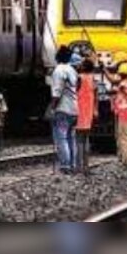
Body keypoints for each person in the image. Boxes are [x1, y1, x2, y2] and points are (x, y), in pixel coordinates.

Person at [50, 46, 79, 174]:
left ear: (58, 57)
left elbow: (57, 92)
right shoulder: (73, 70)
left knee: (61, 138)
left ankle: (65, 166)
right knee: (71, 138)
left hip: (63, 109)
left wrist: (52, 107)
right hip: (75, 108)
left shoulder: (58, 70)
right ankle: (73, 164)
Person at [73, 57, 98, 175]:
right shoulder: (93, 79)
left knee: (78, 140)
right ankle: (86, 167)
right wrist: (95, 109)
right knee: (86, 139)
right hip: (89, 110)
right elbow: (96, 96)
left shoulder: (79, 78)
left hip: (79, 110)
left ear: (83, 67)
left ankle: (78, 167)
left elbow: (74, 93)